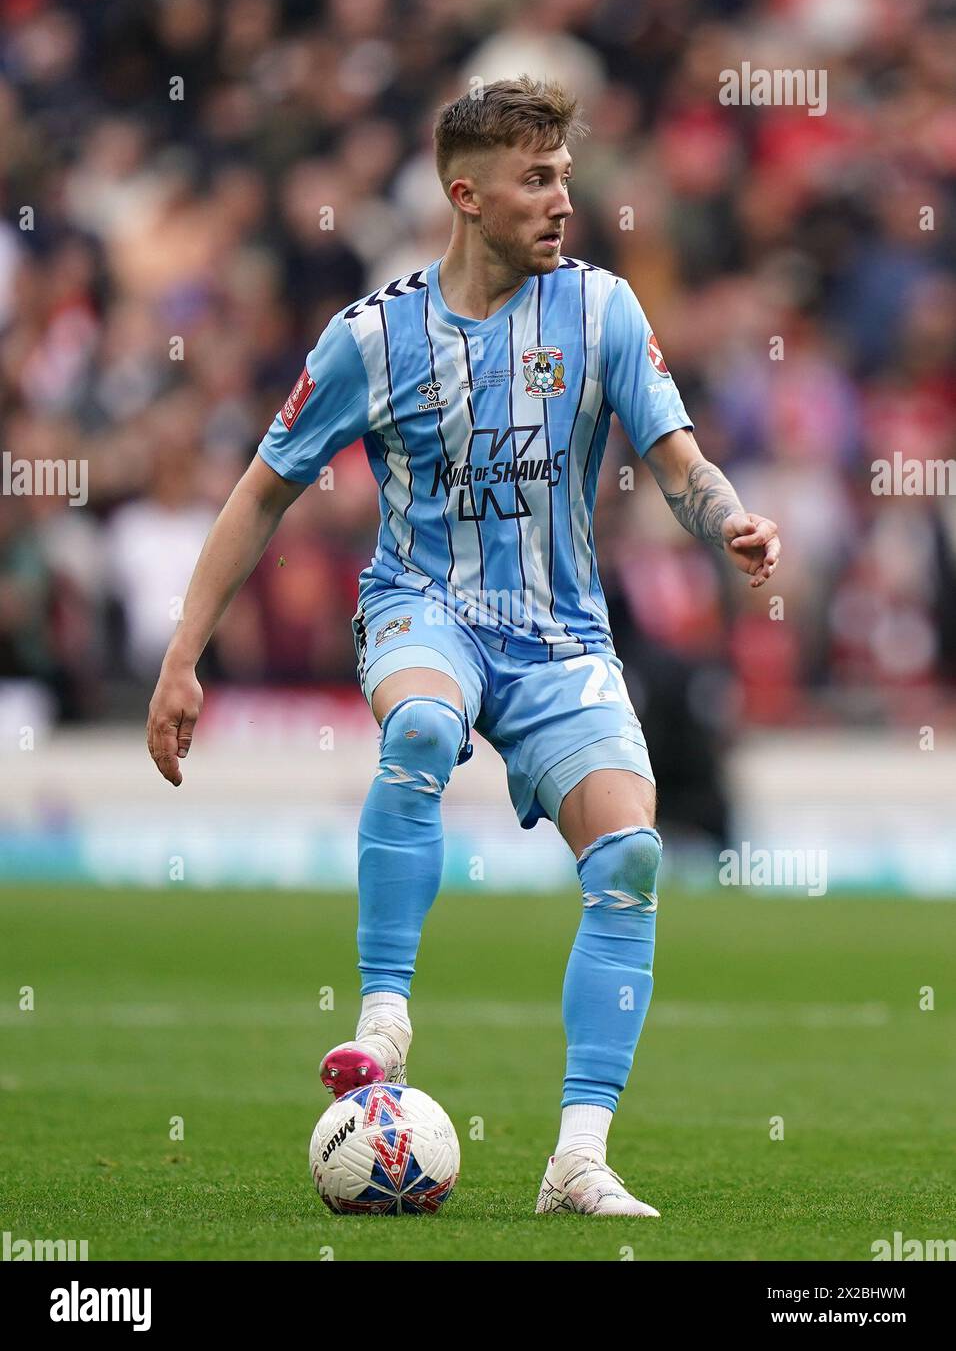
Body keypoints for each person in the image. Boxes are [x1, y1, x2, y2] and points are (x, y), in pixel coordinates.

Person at [147, 75, 780, 1217]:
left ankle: (575, 1157)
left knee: (631, 860)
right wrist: (183, 655)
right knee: (425, 725)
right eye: (536, 179)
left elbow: (680, 463)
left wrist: (726, 518)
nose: (561, 201)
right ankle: (383, 1009)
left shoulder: (601, 312)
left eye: (564, 177)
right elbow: (257, 496)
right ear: (467, 194)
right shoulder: (371, 337)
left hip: (558, 637)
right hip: (421, 604)